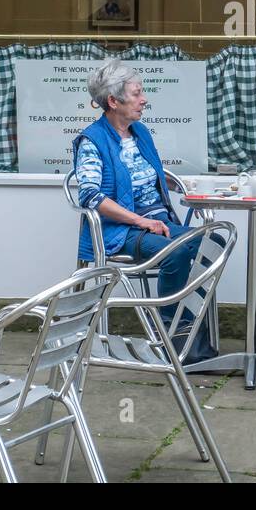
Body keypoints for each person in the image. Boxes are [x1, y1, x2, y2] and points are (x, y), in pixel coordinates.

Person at [72, 60, 212, 360]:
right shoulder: (92, 141)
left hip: (157, 222)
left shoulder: (140, 133)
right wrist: (141, 221)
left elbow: (152, 178)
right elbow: (91, 196)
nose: (144, 99)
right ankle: (169, 337)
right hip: (120, 231)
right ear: (113, 101)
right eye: (137, 94)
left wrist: (194, 193)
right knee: (176, 252)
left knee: (212, 244)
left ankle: (188, 332)